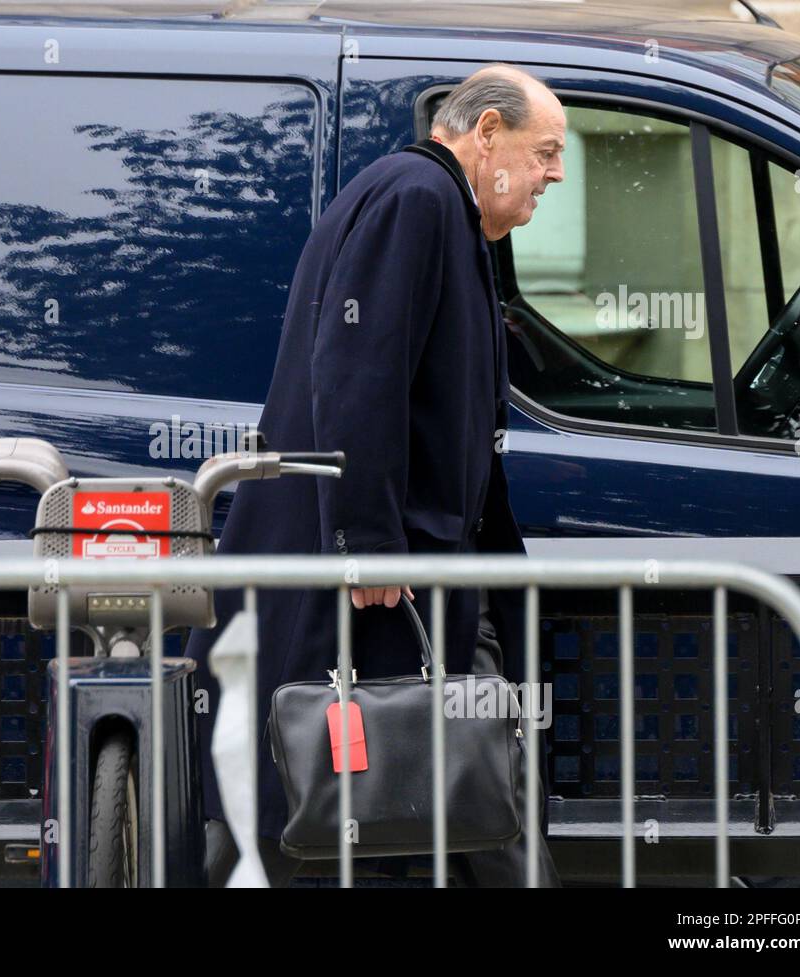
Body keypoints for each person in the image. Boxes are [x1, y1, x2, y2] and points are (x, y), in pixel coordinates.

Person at [185, 64, 567, 887]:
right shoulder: (417, 199)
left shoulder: (431, 207)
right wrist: (368, 541)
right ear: (487, 133)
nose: (556, 173)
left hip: (423, 582)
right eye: (546, 151)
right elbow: (358, 368)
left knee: (452, 805)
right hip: (394, 583)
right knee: (461, 803)